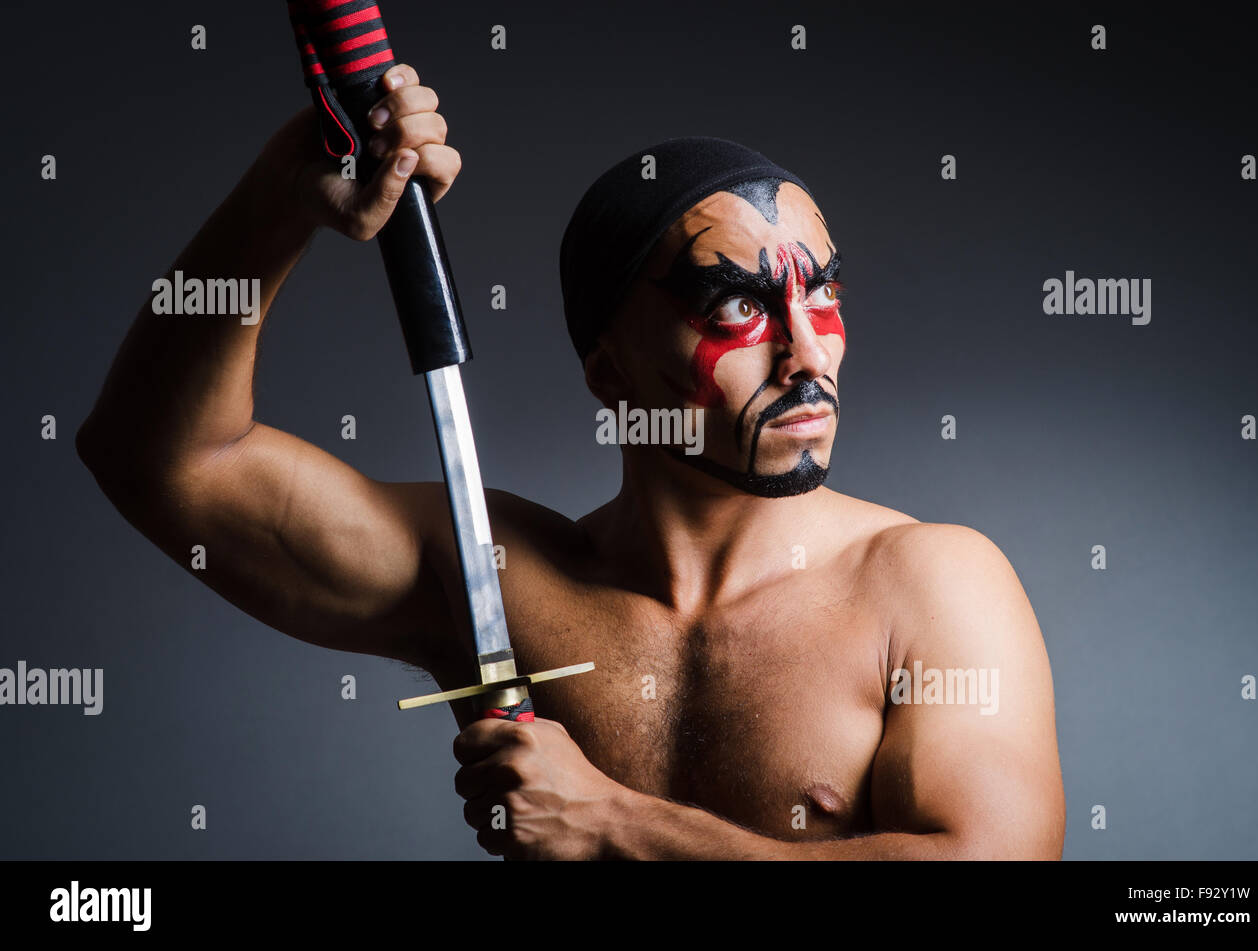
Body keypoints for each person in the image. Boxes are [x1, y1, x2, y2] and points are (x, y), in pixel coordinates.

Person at [78, 64, 1066, 860]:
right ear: (610, 372)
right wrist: (281, 194)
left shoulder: (927, 583)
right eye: (737, 307)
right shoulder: (490, 575)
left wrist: (615, 826)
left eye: (821, 297)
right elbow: (159, 459)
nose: (805, 353)